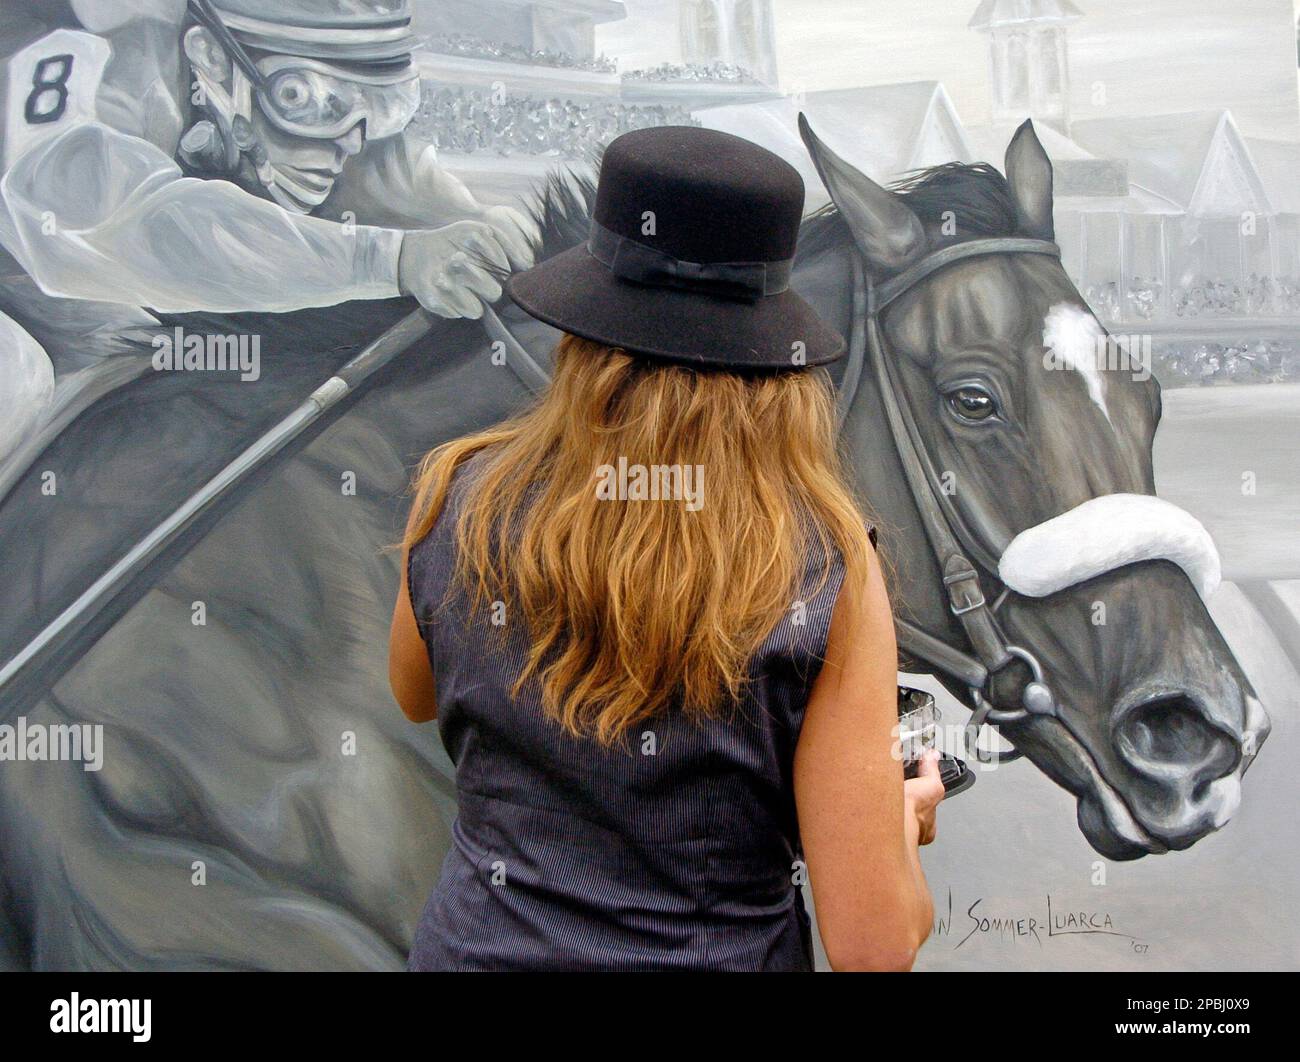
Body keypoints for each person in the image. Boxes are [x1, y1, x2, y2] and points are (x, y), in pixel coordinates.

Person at [388, 126, 943, 971]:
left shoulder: (457, 494)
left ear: (583, 329)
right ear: (776, 356)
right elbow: (875, 947)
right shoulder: (827, 565)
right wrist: (899, 818)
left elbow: (416, 696)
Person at [0, 0, 532, 318]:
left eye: (379, 105)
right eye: (305, 99)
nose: (347, 144)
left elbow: (386, 167)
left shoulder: (254, 68)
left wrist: (475, 219)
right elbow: (131, 226)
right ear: (208, 54)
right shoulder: (101, 58)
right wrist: (390, 258)